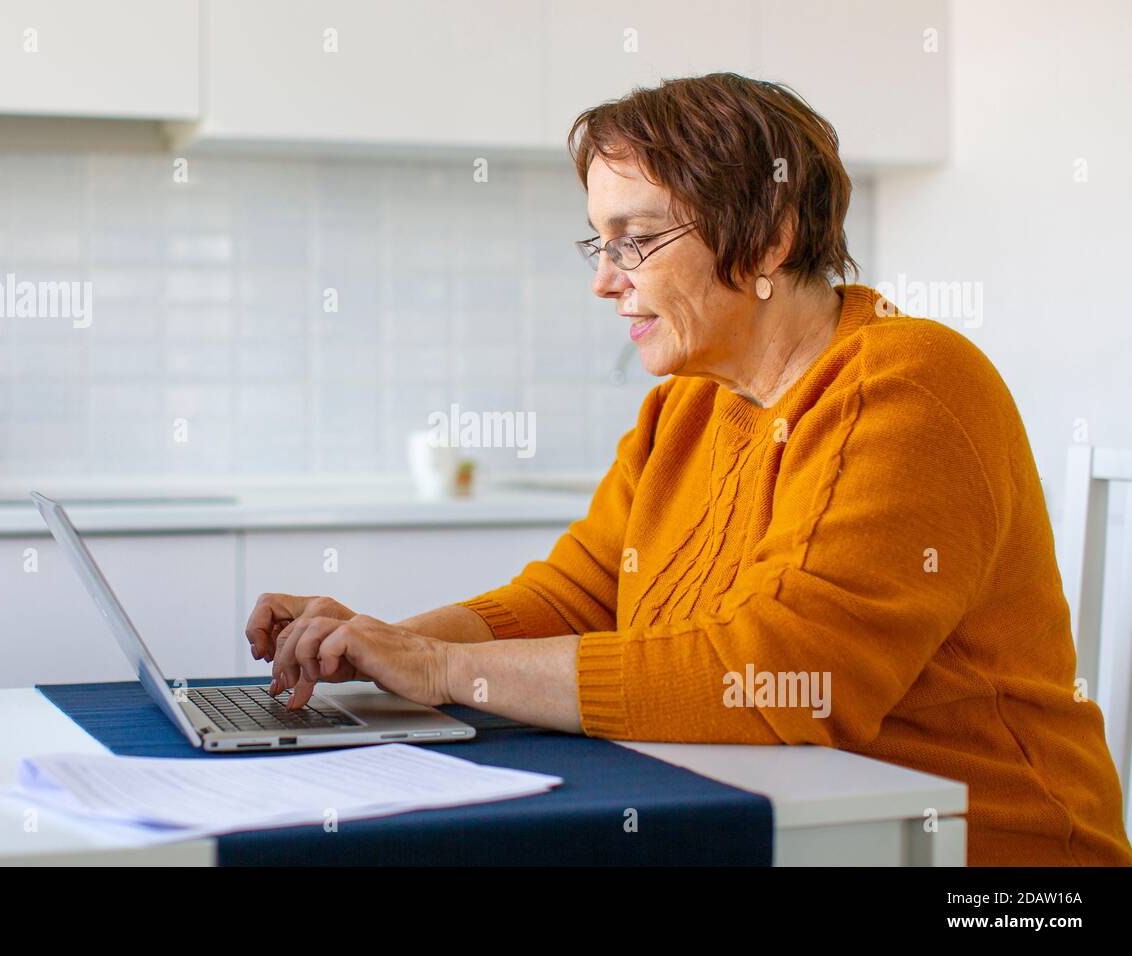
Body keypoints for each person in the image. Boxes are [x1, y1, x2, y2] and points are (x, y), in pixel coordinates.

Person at [245, 74, 1132, 867]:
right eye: (598, 243)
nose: (604, 280)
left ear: (769, 239)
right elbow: (575, 598)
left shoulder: (907, 383)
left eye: (633, 239)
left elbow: (790, 677)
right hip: (783, 823)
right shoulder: (689, 405)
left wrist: (437, 669)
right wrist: (374, 646)